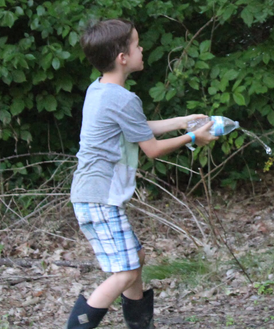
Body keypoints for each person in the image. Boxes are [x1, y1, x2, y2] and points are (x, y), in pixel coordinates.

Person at [65, 18, 217, 329]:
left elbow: (136, 129)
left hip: (93, 194)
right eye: (137, 44)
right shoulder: (122, 97)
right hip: (98, 197)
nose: (142, 48)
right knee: (126, 272)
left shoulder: (101, 89)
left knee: (136, 257)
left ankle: (139, 325)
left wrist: (182, 121)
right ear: (123, 58)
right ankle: (77, 326)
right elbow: (152, 149)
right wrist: (193, 138)